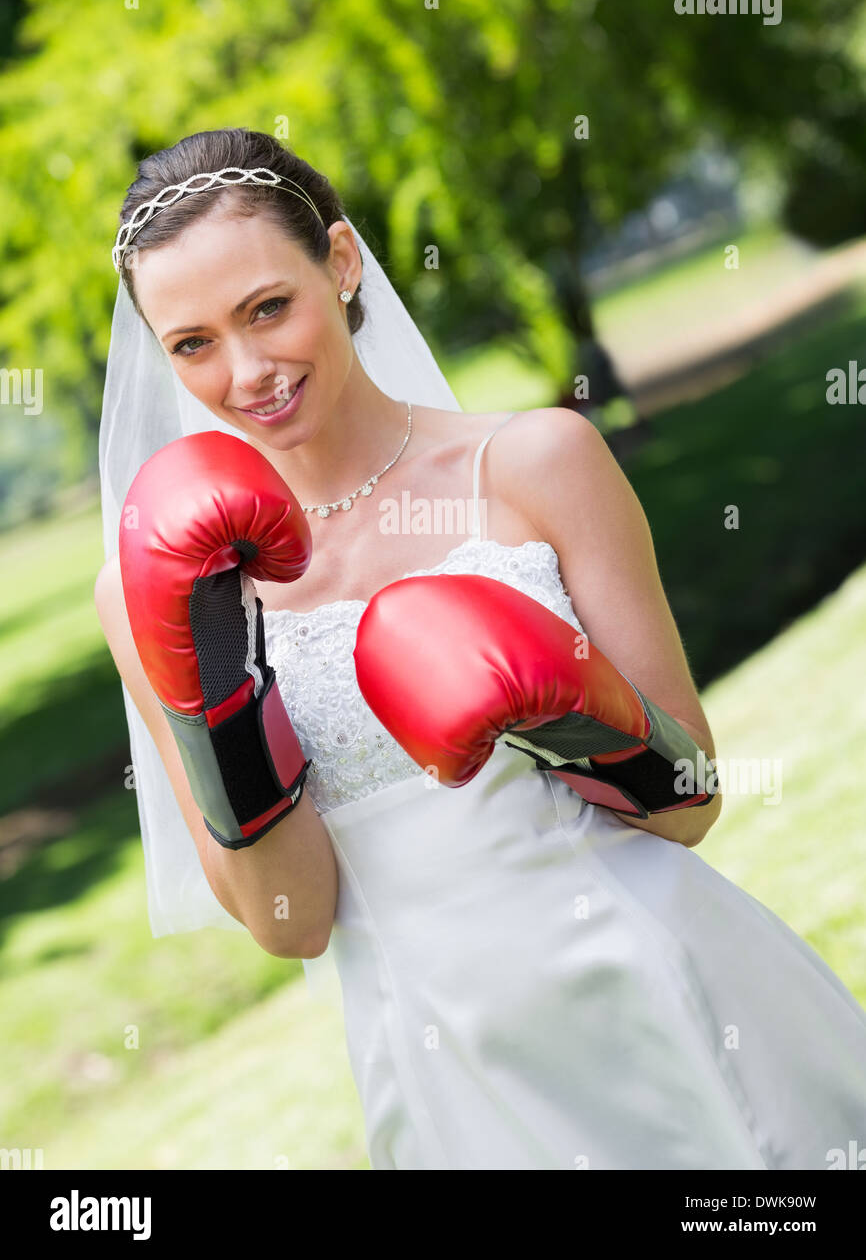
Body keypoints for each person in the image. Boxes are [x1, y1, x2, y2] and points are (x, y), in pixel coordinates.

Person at [95, 128, 866, 1171]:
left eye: (266, 308)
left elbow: (689, 802)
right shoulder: (158, 590)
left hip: (662, 981)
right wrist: (219, 685)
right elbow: (293, 921)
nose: (245, 372)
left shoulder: (535, 462)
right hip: (441, 1063)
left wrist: (553, 705)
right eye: (191, 344)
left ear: (341, 260)